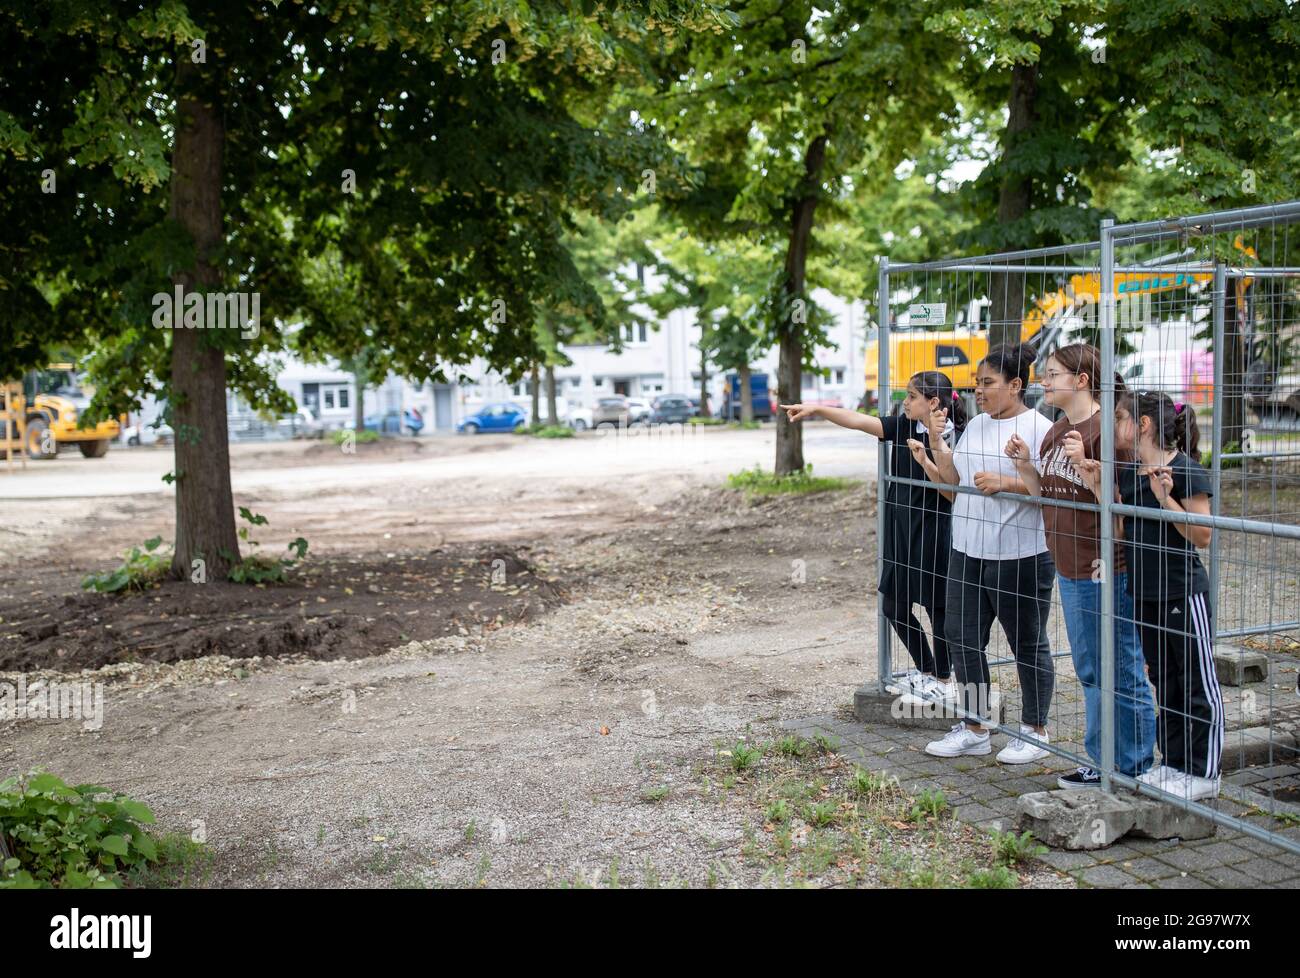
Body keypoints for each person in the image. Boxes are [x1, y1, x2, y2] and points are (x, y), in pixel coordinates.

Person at [1005, 343, 1157, 789]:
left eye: (1052, 375)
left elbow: (1128, 509)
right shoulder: (1056, 431)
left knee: (1121, 668)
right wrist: (1027, 467)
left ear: (1081, 381)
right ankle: (1103, 760)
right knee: (1092, 669)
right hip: (1069, 568)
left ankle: (1132, 767)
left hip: (1108, 568)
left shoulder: (1109, 432)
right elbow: (1045, 498)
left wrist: (1088, 471)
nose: (1043, 382)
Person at [780, 372, 965, 704]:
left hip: (935, 529)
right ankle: (926, 669)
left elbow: (953, 488)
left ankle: (943, 678)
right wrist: (817, 409)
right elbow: (857, 420)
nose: (904, 402)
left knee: (937, 608)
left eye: (911, 396)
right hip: (902, 528)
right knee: (894, 604)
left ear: (933, 402)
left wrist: (933, 451)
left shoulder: (955, 436)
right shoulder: (902, 425)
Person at [916, 343, 1057, 763]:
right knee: (962, 638)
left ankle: (1035, 730)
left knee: (1026, 643)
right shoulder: (976, 426)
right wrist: (938, 444)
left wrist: (1006, 481)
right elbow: (950, 487)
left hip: (1020, 555)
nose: (978, 390)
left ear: (1015, 385)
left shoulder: (1040, 429)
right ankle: (975, 726)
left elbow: (1051, 494)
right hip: (967, 550)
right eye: (977, 382)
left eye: (988, 383)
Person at [1109, 390, 1222, 800]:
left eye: (1119, 417)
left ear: (1143, 425)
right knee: (1166, 683)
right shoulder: (1128, 473)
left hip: (1181, 591)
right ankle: (1174, 764)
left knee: (1195, 682)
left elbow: (1203, 535)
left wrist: (1164, 499)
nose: (1113, 425)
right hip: (1144, 593)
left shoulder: (1186, 470)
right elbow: (1123, 534)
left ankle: (1205, 773)